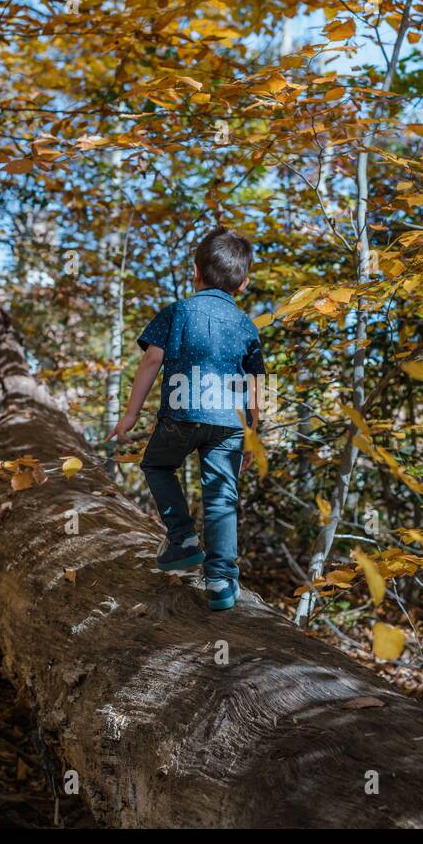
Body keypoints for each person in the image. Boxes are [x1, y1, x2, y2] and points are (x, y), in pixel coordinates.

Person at [105, 227, 265, 610]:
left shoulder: (176, 312)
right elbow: (255, 381)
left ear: (195, 272)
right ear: (243, 283)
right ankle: (222, 582)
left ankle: (182, 539)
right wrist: (253, 433)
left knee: (157, 466)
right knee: (222, 496)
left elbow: (152, 360)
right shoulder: (246, 325)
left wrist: (130, 414)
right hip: (228, 422)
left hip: (181, 413)